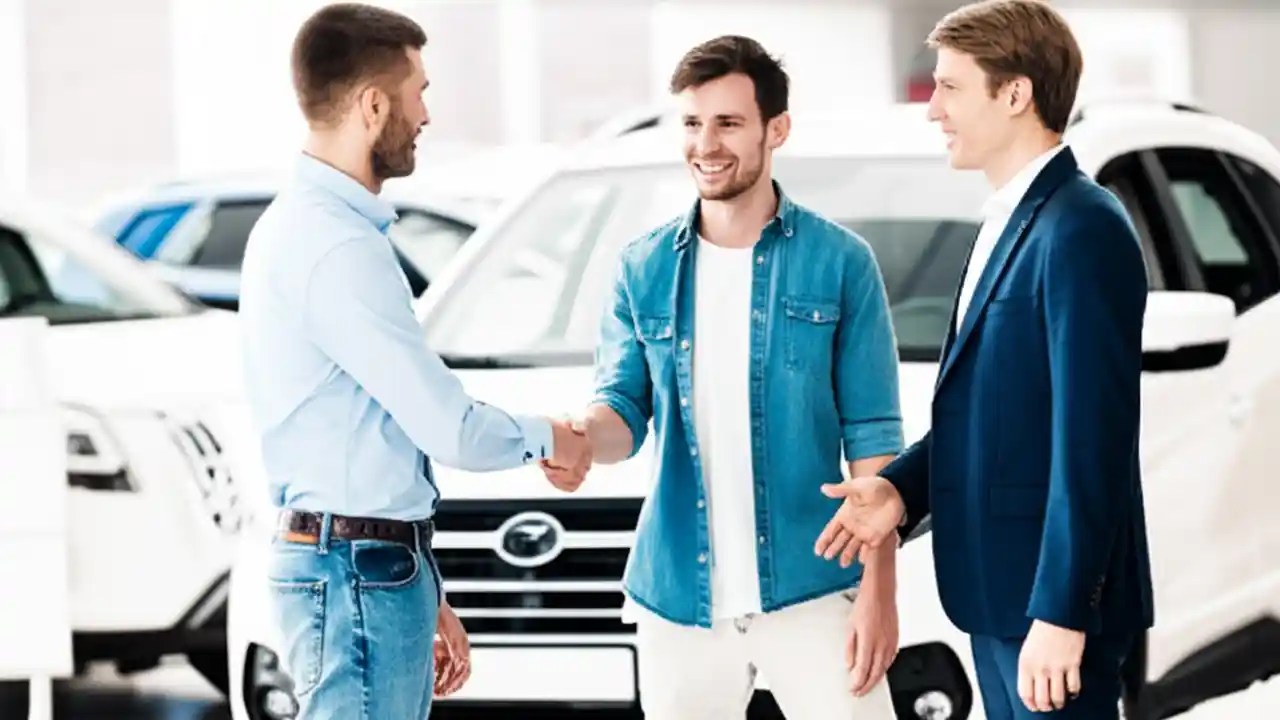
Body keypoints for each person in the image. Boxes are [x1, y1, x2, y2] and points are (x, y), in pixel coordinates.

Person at [237, 4, 591, 718]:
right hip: (354, 574)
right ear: (374, 105)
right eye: (419, 90)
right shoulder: (334, 245)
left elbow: (372, 432)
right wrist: (554, 436)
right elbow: (446, 426)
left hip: (364, 570)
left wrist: (422, 587)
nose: (426, 113)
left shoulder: (309, 228)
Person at [543, 35, 903, 719]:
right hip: (679, 599)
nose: (705, 144)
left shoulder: (841, 263)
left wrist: (879, 590)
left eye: (728, 123)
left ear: (777, 130)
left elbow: (874, 436)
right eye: (692, 123)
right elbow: (622, 408)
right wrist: (585, 438)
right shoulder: (640, 267)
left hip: (815, 583)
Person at [814, 1, 1153, 718]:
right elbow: (997, 415)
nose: (933, 109)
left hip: (1048, 613)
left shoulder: (1081, 228)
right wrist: (903, 491)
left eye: (950, 87)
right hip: (999, 599)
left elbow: (1092, 444)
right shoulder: (1010, 218)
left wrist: (1063, 614)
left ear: (1016, 93)